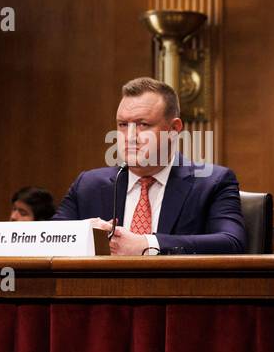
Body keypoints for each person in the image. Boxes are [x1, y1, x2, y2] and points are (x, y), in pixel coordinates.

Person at [54, 76, 246, 255]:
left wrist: (148, 244)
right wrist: (83, 233)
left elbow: (231, 242)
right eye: (122, 124)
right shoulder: (88, 185)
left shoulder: (212, 183)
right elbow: (45, 240)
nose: (129, 137)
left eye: (143, 124)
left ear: (173, 129)